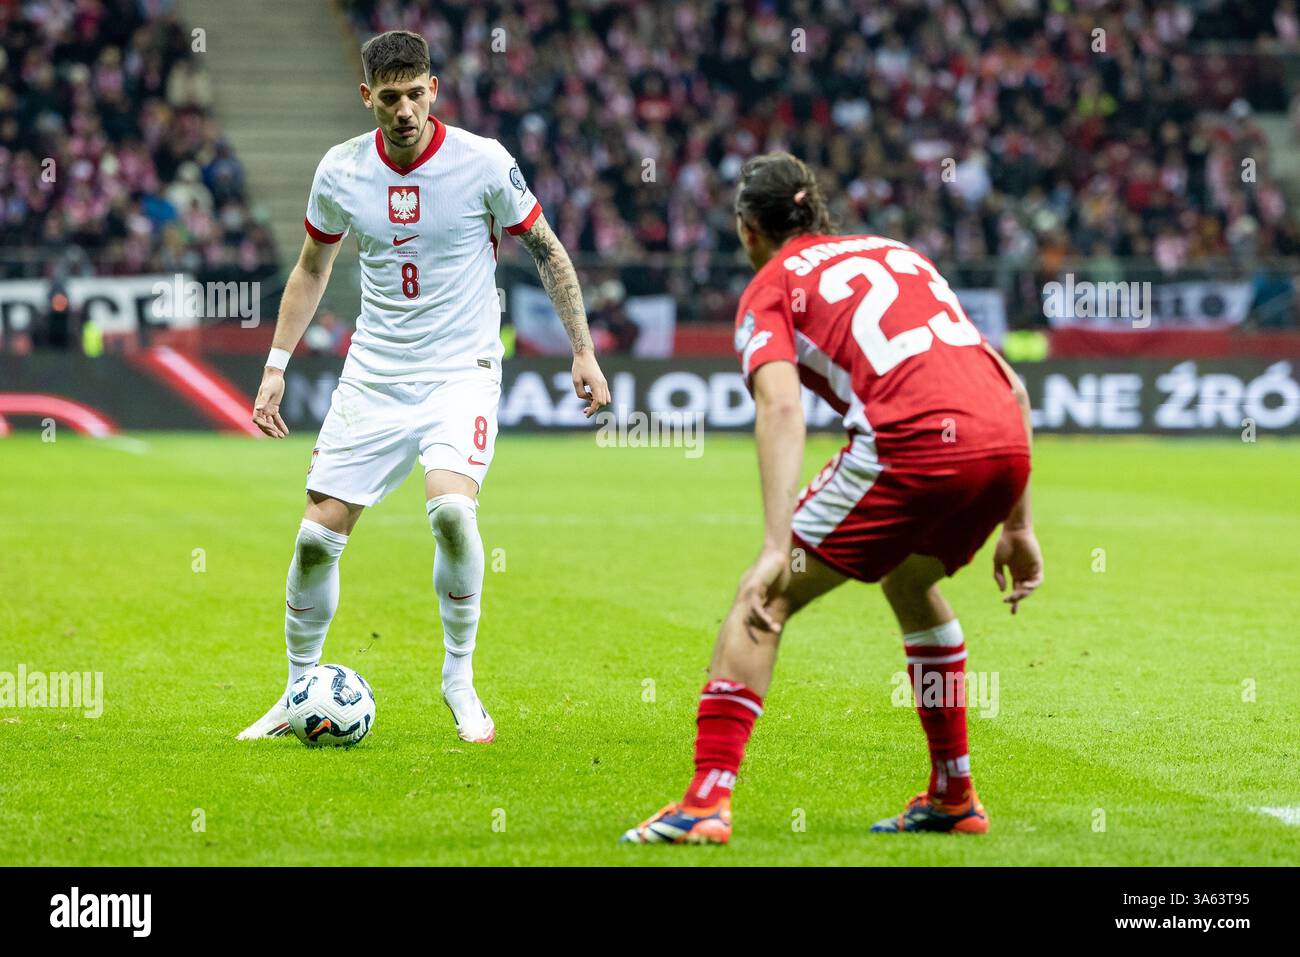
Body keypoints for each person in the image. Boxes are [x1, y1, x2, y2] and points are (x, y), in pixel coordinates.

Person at [622, 153, 1043, 843]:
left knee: (764, 598)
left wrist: (773, 546)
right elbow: (1016, 387)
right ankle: (953, 793)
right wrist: (1019, 525)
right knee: (911, 579)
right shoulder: (902, 254)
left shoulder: (771, 283)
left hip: (913, 445)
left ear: (749, 231)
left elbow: (781, 407)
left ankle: (704, 802)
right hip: (1003, 440)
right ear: (815, 209)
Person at [238, 30, 610, 744]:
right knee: (316, 539)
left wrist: (583, 351)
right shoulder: (341, 170)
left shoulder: (483, 163)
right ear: (366, 97)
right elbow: (312, 267)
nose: (405, 110)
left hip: (459, 370)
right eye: (390, 97)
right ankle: (297, 690)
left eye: (416, 94)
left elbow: (547, 250)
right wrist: (277, 364)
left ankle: (459, 680)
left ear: (434, 89)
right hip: (374, 372)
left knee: (450, 514)